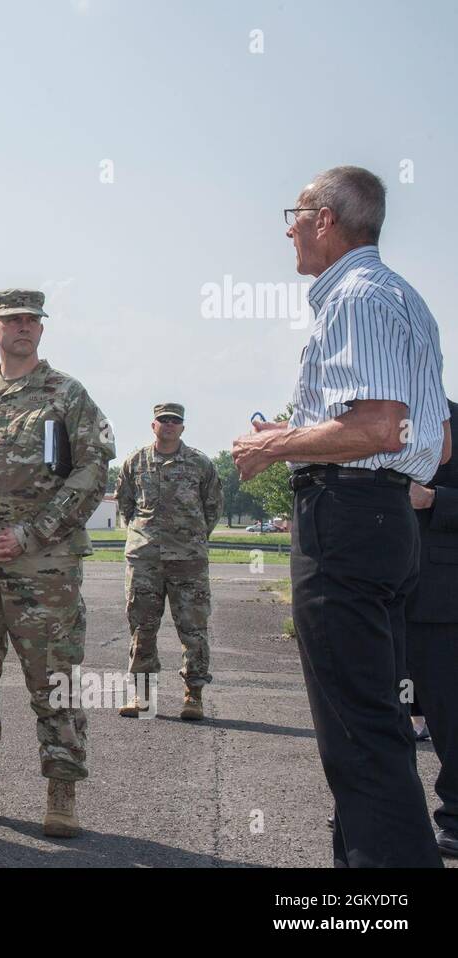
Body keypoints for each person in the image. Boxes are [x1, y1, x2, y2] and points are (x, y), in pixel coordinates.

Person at [232, 165, 450, 868]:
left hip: (349, 520)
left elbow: (379, 428)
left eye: (293, 214)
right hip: (382, 521)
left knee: (358, 735)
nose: (288, 229)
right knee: (372, 725)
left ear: (325, 219)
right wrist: (300, 436)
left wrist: (275, 445)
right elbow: (434, 439)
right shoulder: (403, 298)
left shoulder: (354, 296)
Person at [0, 288, 114, 836]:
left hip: (44, 571)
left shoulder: (66, 395)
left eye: (32, 320)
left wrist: (31, 534)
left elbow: (92, 472)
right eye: (12, 321)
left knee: (53, 681)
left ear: (42, 329)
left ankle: (61, 794)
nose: (23, 328)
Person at [114, 403, 221, 720]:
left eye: (175, 421)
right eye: (164, 420)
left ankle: (193, 695)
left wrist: (191, 538)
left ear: (183, 428)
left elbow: (212, 507)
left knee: (193, 629)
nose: (169, 425)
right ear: (153, 425)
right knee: (142, 629)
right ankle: (142, 696)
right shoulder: (135, 462)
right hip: (145, 560)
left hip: (188, 561)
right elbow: (126, 505)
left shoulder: (200, 463)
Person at [405, 396, 458, 857]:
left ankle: (456, 817)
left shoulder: (454, 421)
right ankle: (374, 808)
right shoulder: (363, 420)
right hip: (375, 593)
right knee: (375, 711)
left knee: (447, 714)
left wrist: (435, 498)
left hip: (439, 598)